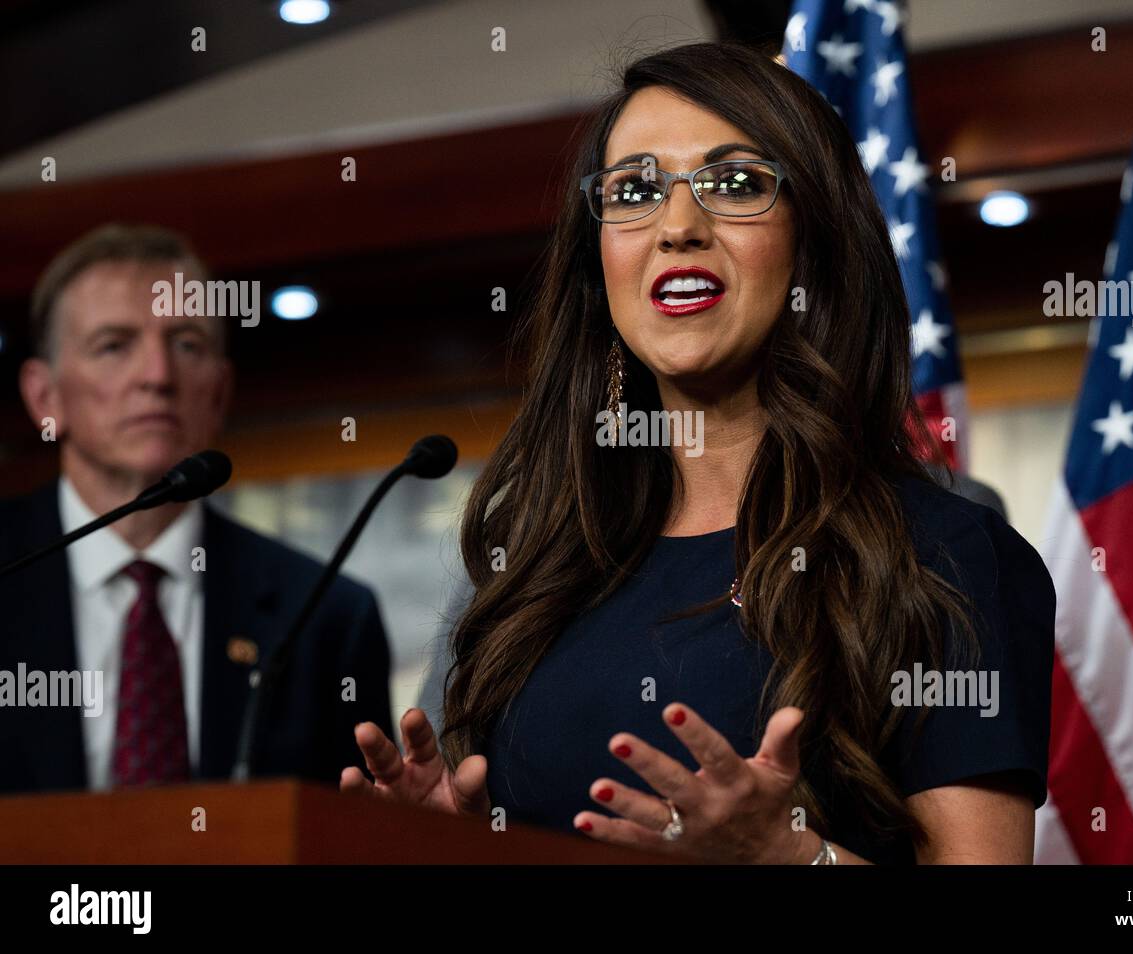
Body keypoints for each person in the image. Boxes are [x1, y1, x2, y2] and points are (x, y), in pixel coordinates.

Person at [343, 42, 1055, 864]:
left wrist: (788, 859)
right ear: (598, 257)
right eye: (635, 191)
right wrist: (446, 845)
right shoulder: (529, 566)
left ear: (814, 243)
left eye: (736, 184)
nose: (679, 225)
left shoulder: (945, 555)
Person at [0, 223, 393, 793]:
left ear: (220, 391)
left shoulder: (327, 615)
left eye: (187, 345)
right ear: (45, 398)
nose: (157, 377)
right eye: (114, 345)